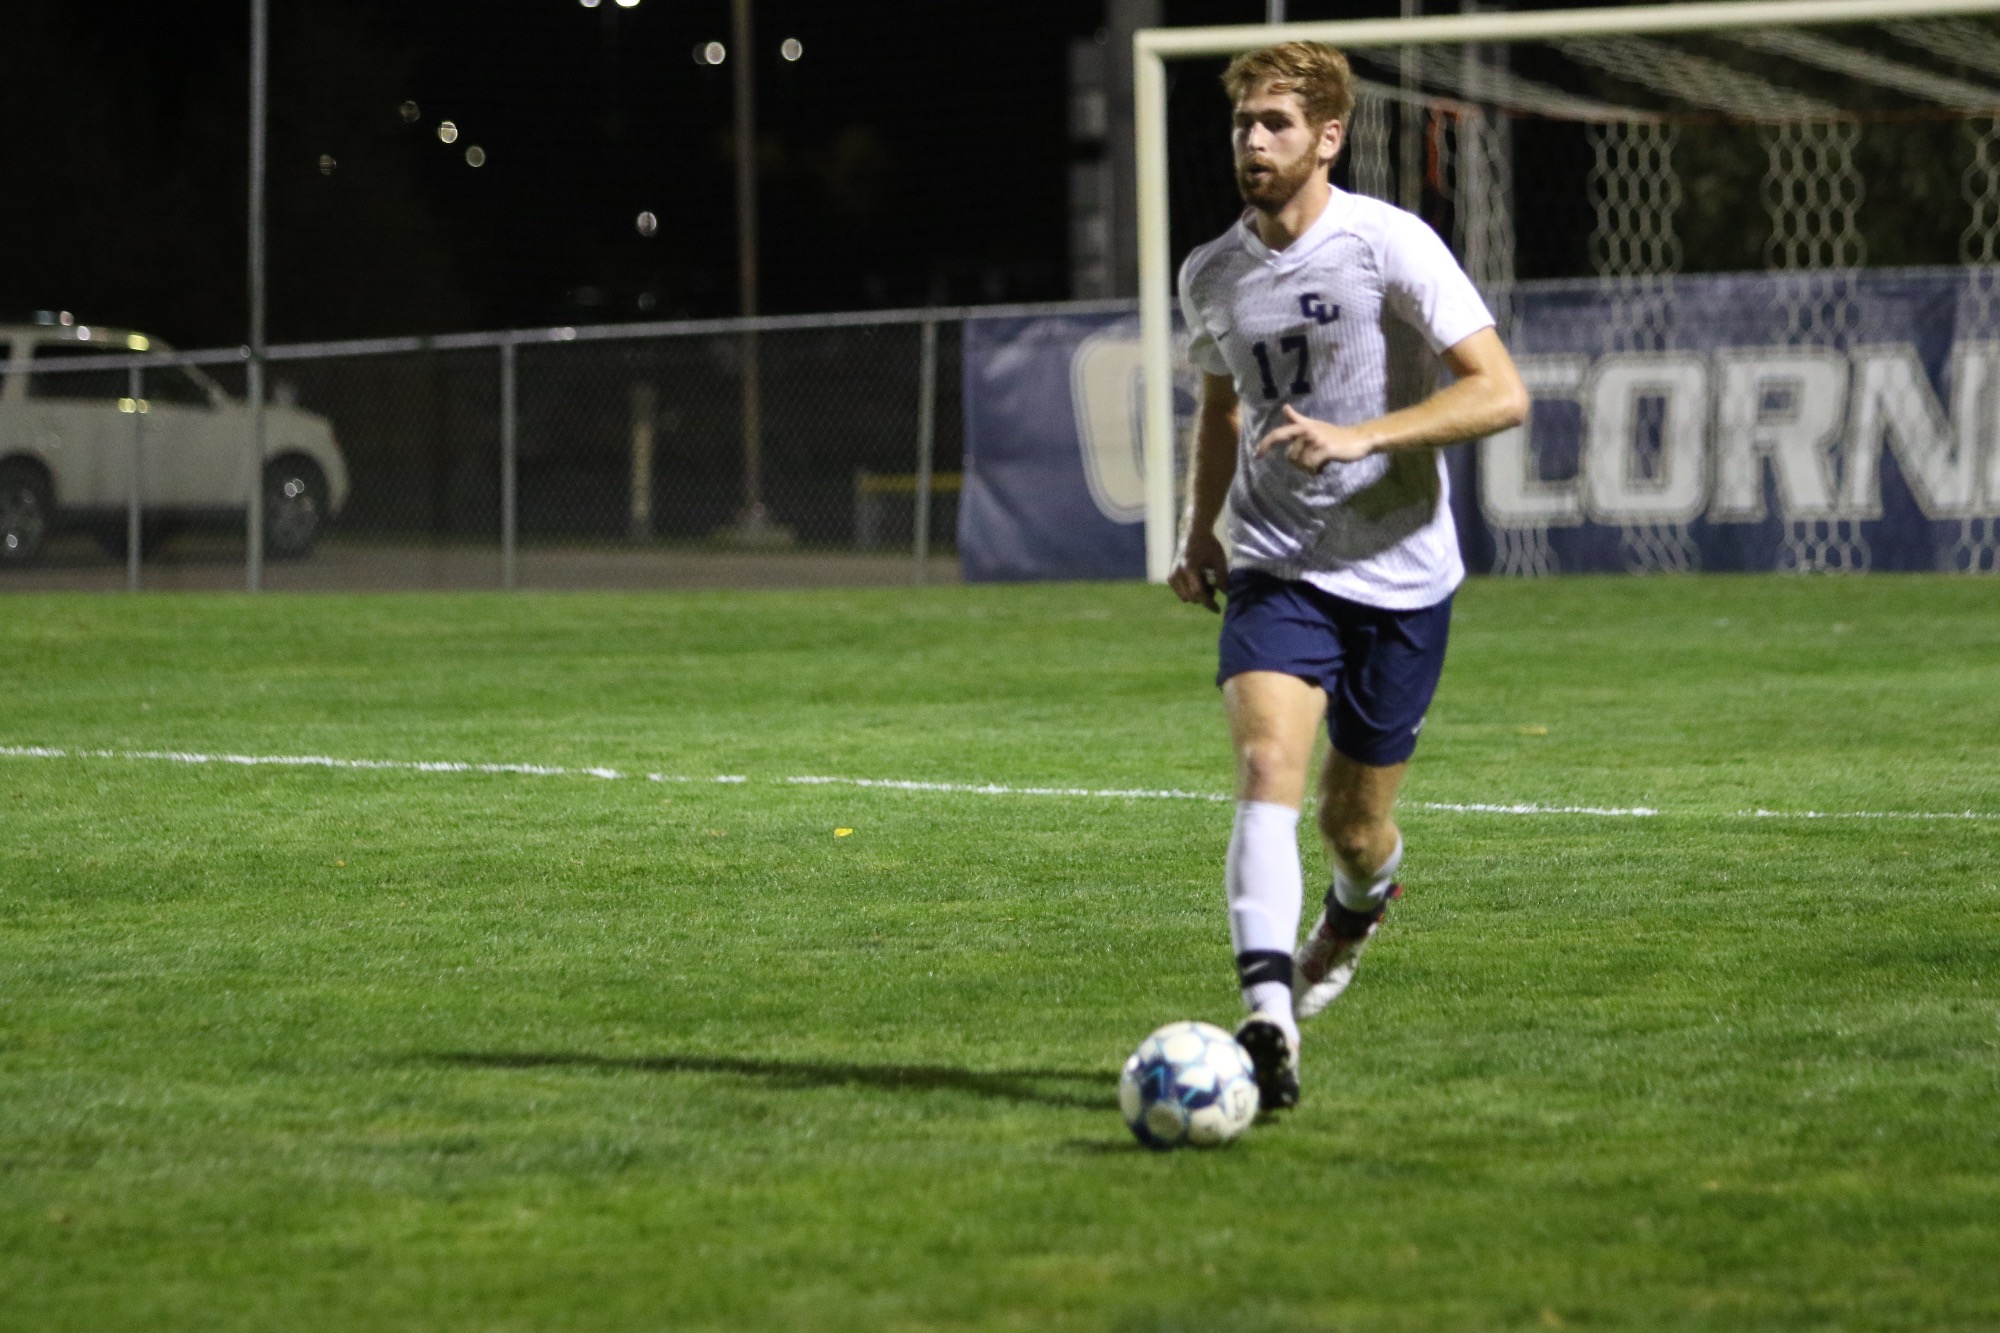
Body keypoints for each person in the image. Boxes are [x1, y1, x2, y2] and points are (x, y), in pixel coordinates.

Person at [1169, 41, 1529, 1110]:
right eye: (1243, 123)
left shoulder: (1387, 243)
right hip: (1277, 564)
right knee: (1265, 765)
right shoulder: (1210, 273)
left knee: (1353, 827)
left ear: (1327, 137)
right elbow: (1220, 407)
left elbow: (1500, 392)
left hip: (1400, 573)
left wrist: (1364, 435)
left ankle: (1358, 903)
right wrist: (1198, 532)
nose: (1252, 141)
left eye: (1275, 123)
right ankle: (1267, 1016)